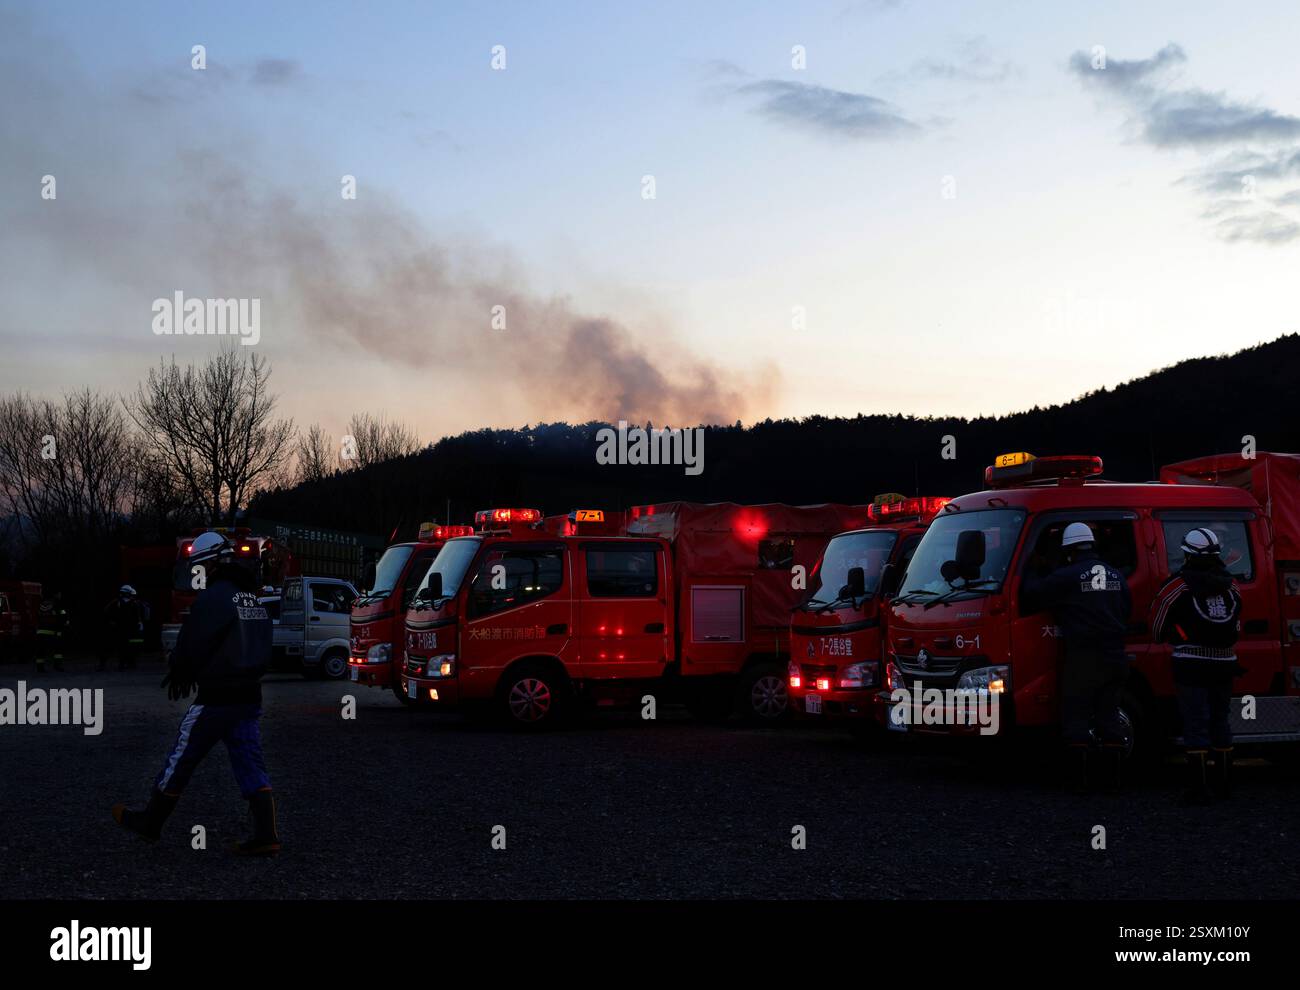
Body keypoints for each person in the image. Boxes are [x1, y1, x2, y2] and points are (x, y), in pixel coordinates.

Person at [112, 531, 280, 854]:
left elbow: (193, 641)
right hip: (249, 696)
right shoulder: (251, 597)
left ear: (206, 566)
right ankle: (266, 834)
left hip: (217, 698)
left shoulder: (213, 598)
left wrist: (181, 669)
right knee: (250, 760)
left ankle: (151, 822)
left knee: (182, 755)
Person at [1022, 522, 1133, 790]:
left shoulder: (1066, 576)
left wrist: (1033, 567)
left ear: (1068, 550)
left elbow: (1031, 595)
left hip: (1084, 656)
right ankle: (1112, 783)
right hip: (1116, 655)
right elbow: (1126, 610)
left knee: (1076, 716)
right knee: (1109, 716)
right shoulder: (1116, 576)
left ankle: (1079, 783)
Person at [1150, 527, 1244, 804]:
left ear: (1187, 553)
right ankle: (1225, 786)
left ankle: (1198, 789)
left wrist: (1170, 638)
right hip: (1226, 662)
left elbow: (1156, 625)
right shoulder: (1233, 585)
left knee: (1195, 723)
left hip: (1190, 664)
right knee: (1220, 720)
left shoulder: (1177, 585)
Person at [102, 585, 148, 671]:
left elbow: (137, 616)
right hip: (120, 628)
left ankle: (129, 662)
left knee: (129, 646)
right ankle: (123, 663)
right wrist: (111, 621)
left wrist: (139, 624)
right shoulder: (117, 603)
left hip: (129, 628)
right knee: (121, 646)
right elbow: (107, 612)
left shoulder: (133, 603)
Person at [35, 591, 68, 673]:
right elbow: (62, 616)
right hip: (52, 631)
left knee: (40, 651)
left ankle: (40, 668)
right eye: (59, 594)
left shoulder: (42, 604)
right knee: (58, 650)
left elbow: (38, 616)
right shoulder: (57, 603)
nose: (60, 595)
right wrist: (63, 626)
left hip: (40, 631)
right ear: (56, 594)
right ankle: (57, 666)